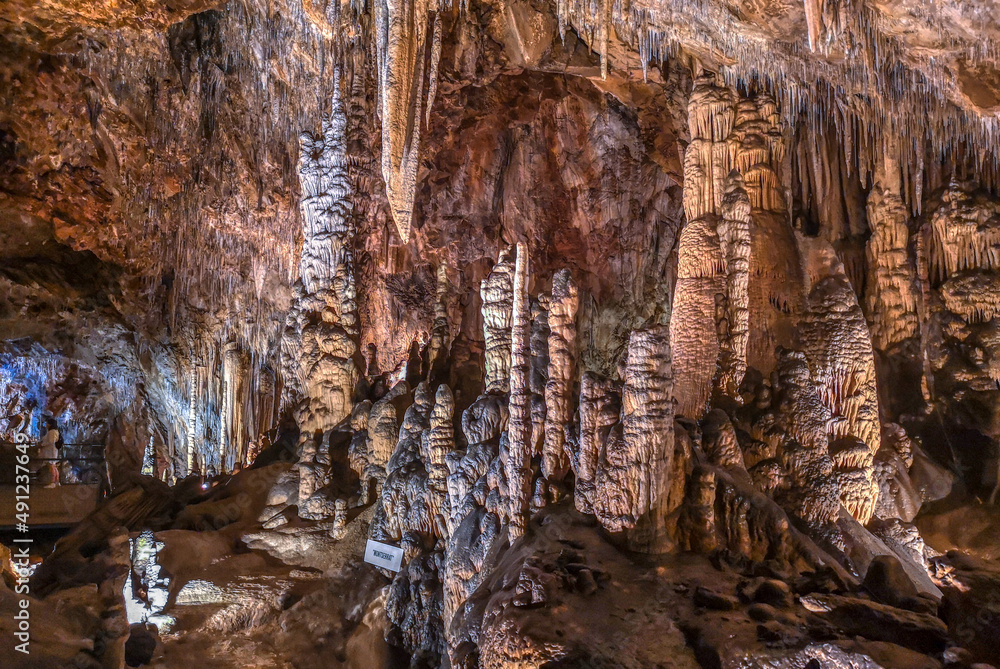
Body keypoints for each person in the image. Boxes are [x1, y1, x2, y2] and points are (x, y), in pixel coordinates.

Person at [38, 418, 60, 487]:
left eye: (47, 423)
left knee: (51, 466)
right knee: (53, 466)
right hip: (52, 451)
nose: (46, 425)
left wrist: (42, 445)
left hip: (50, 451)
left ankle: (52, 482)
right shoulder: (54, 431)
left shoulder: (52, 432)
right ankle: (56, 481)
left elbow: (51, 441)